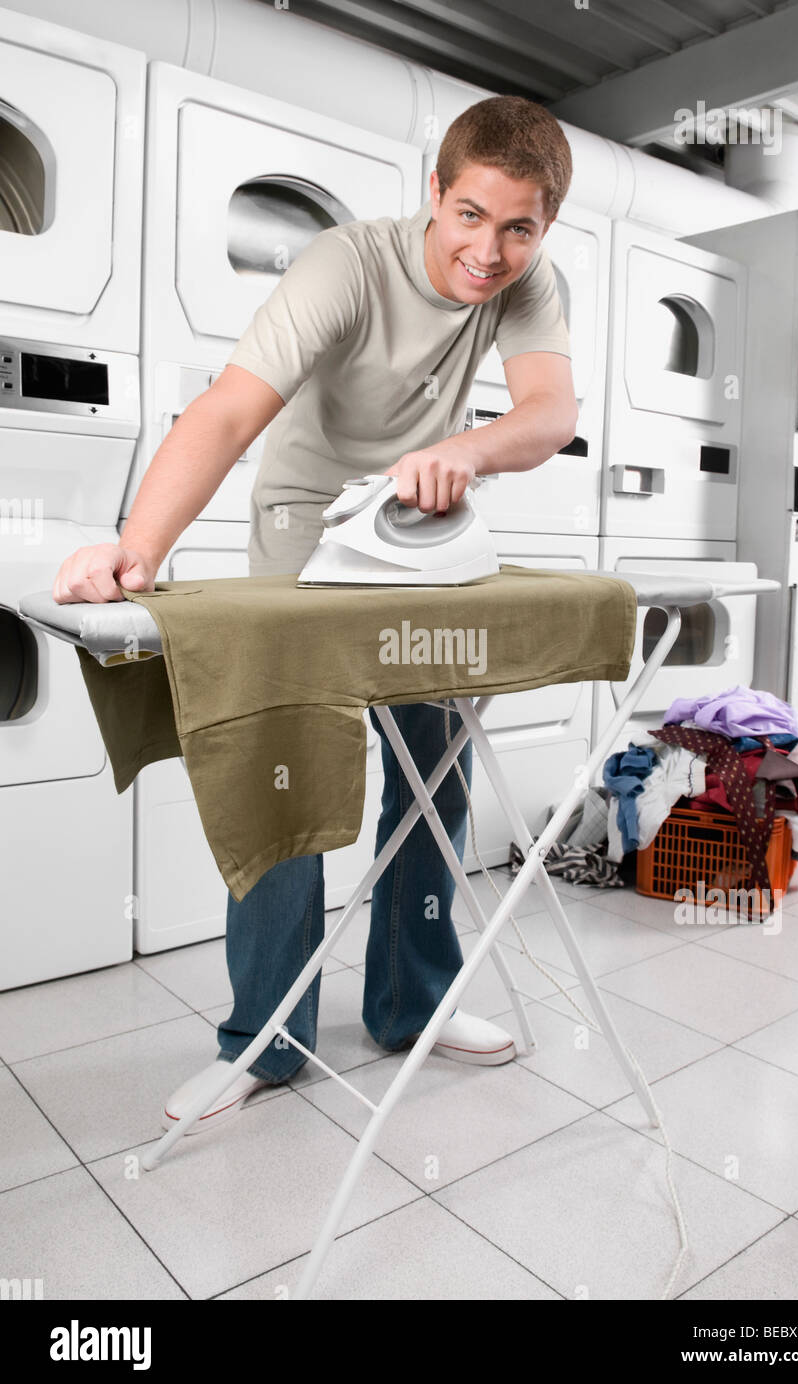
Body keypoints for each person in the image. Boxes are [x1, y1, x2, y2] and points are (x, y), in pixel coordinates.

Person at [52, 95, 578, 1131]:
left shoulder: (527, 283)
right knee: (287, 779)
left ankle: (411, 1004)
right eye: (469, 214)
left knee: (433, 776)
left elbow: (548, 413)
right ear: (435, 193)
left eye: (518, 226)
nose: (489, 248)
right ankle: (265, 1035)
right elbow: (230, 408)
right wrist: (137, 546)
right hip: (307, 525)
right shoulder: (347, 263)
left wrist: (459, 453)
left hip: (420, 521)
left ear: (544, 224)